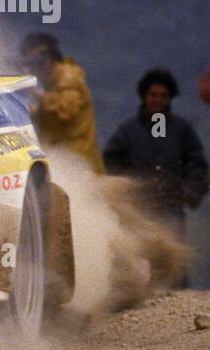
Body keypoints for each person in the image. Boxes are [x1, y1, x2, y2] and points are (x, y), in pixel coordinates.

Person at [103, 68, 209, 230]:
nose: (158, 100)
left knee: (169, 250)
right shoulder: (129, 130)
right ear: (145, 97)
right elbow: (111, 159)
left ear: (169, 98)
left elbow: (197, 166)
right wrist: (126, 185)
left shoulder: (182, 130)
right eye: (153, 95)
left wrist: (190, 192)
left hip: (171, 208)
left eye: (163, 96)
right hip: (137, 208)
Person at [19, 33, 104, 172]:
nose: (38, 67)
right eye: (31, 63)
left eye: (40, 59)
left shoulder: (69, 77)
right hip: (65, 163)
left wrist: (37, 94)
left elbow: (66, 109)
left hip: (80, 166)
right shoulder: (53, 86)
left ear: (52, 57)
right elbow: (50, 119)